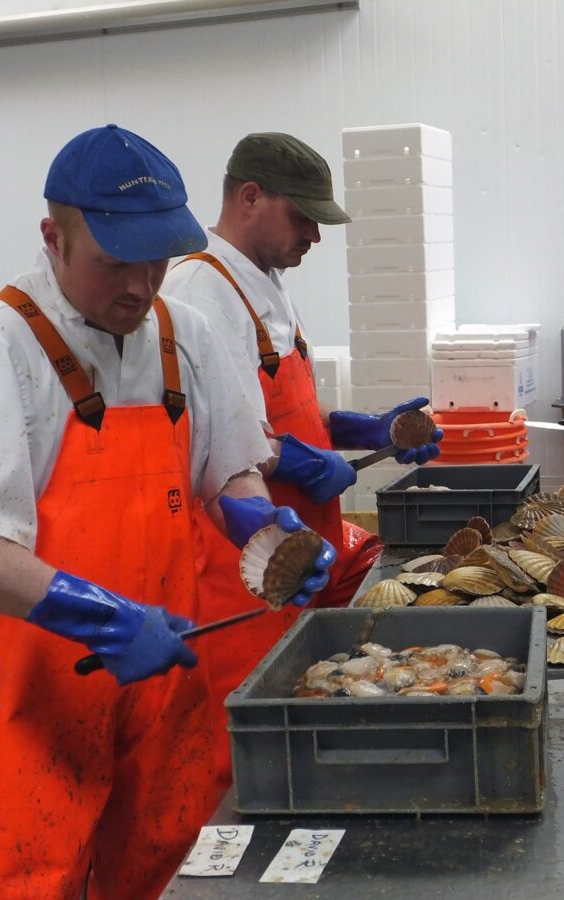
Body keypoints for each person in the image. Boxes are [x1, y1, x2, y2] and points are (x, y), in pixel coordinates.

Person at [0, 124, 335, 900]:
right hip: (38, 696)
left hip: (163, 680)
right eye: (114, 260)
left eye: (157, 258)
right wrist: (100, 616)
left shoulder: (182, 332)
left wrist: (267, 530)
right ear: (54, 237)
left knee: (168, 871)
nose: (141, 284)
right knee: (22, 882)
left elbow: (229, 471)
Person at [161, 132, 442, 719]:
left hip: (303, 550)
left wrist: (363, 431)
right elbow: (221, 439)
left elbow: (282, 415)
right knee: (247, 731)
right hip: (245, 564)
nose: (314, 235)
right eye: (303, 218)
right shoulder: (199, 290)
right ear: (250, 197)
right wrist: (300, 462)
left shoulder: (266, 284)